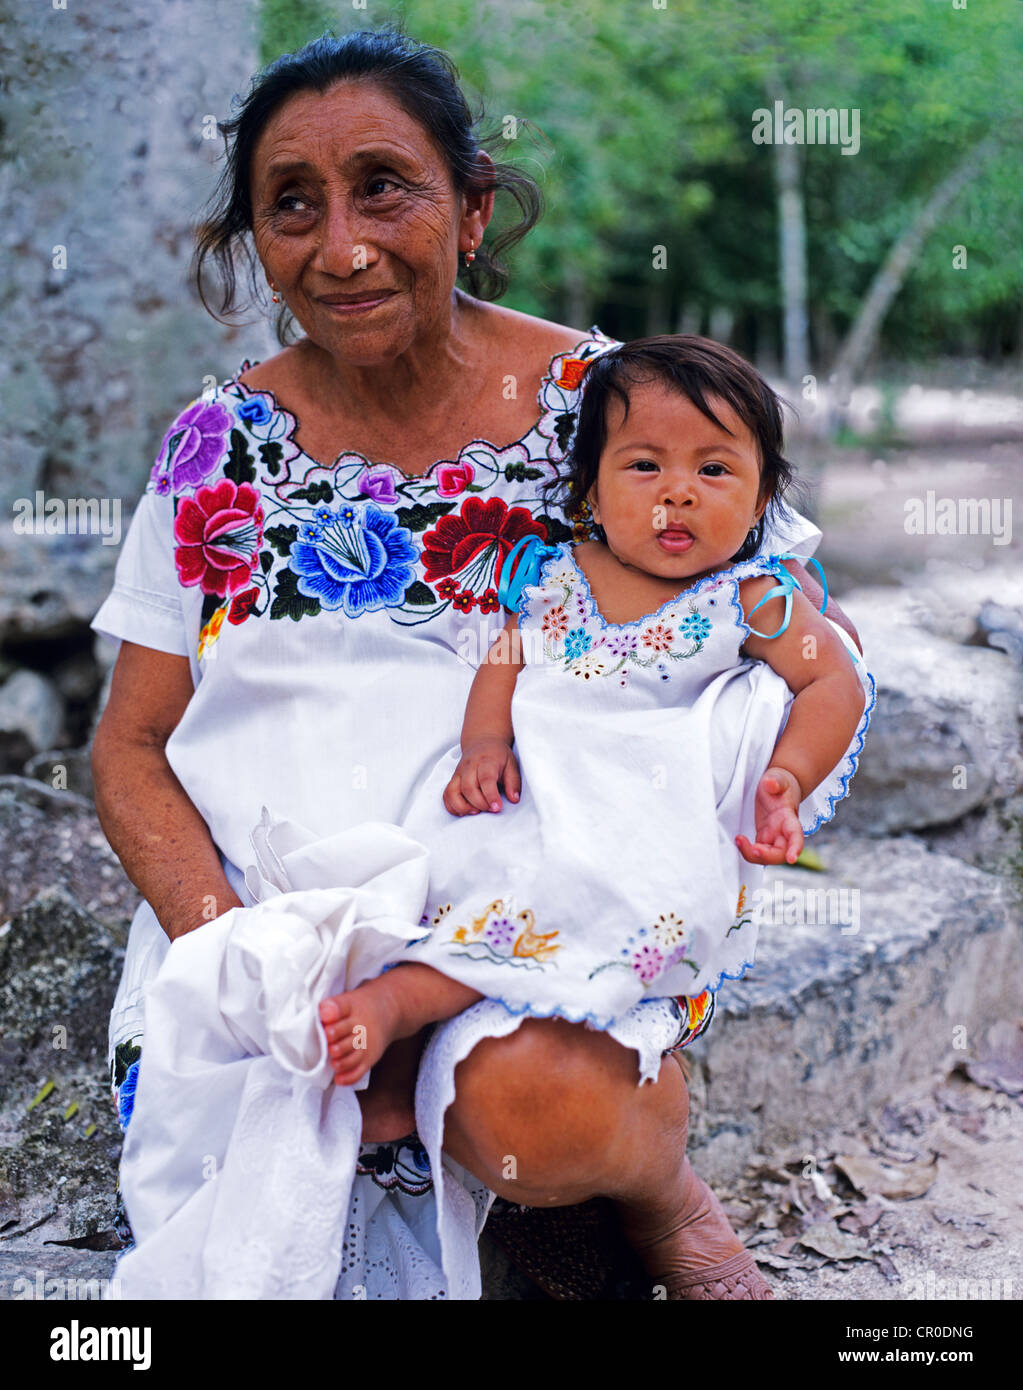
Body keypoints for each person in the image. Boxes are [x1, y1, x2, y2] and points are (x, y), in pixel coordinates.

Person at [90, 26, 863, 1301]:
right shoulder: (214, 449)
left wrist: (715, 800)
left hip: (532, 901)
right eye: (292, 205)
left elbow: (798, 639)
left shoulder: (615, 410)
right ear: (258, 240)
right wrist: (234, 954)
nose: (340, 246)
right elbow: (127, 743)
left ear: (473, 205)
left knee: (539, 1110)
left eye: (384, 186)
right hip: (276, 921)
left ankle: (661, 1188)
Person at [317, 336, 874, 1292]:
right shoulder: (555, 575)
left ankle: (405, 1029)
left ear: (762, 495)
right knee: (468, 898)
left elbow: (837, 687)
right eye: (642, 466)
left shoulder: (754, 599)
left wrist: (784, 775)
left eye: (713, 468)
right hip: (528, 795)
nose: (677, 494)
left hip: (628, 817)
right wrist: (483, 745)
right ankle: (395, 1016)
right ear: (589, 489)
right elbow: (503, 658)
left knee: (570, 919)